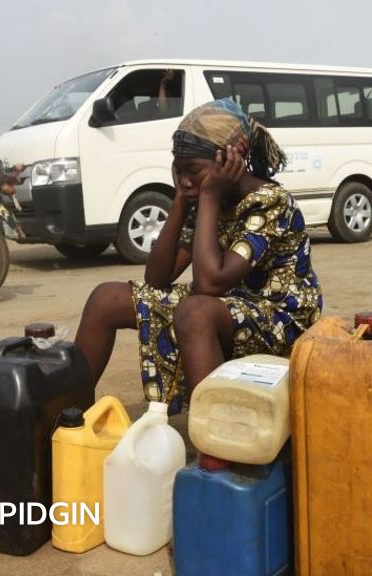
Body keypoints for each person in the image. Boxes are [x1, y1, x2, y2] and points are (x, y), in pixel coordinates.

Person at [74, 98, 323, 411]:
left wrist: (208, 197)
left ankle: (216, 441)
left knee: (195, 312)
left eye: (193, 171)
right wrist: (180, 203)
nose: (185, 180)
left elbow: (210, 283)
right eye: (178, 170)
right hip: (226, 303)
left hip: (280, 316)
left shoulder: (270, 201)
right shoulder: (203, 197)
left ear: (230, 159)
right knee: (106, 299)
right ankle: (68, 417)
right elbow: (157, 277)